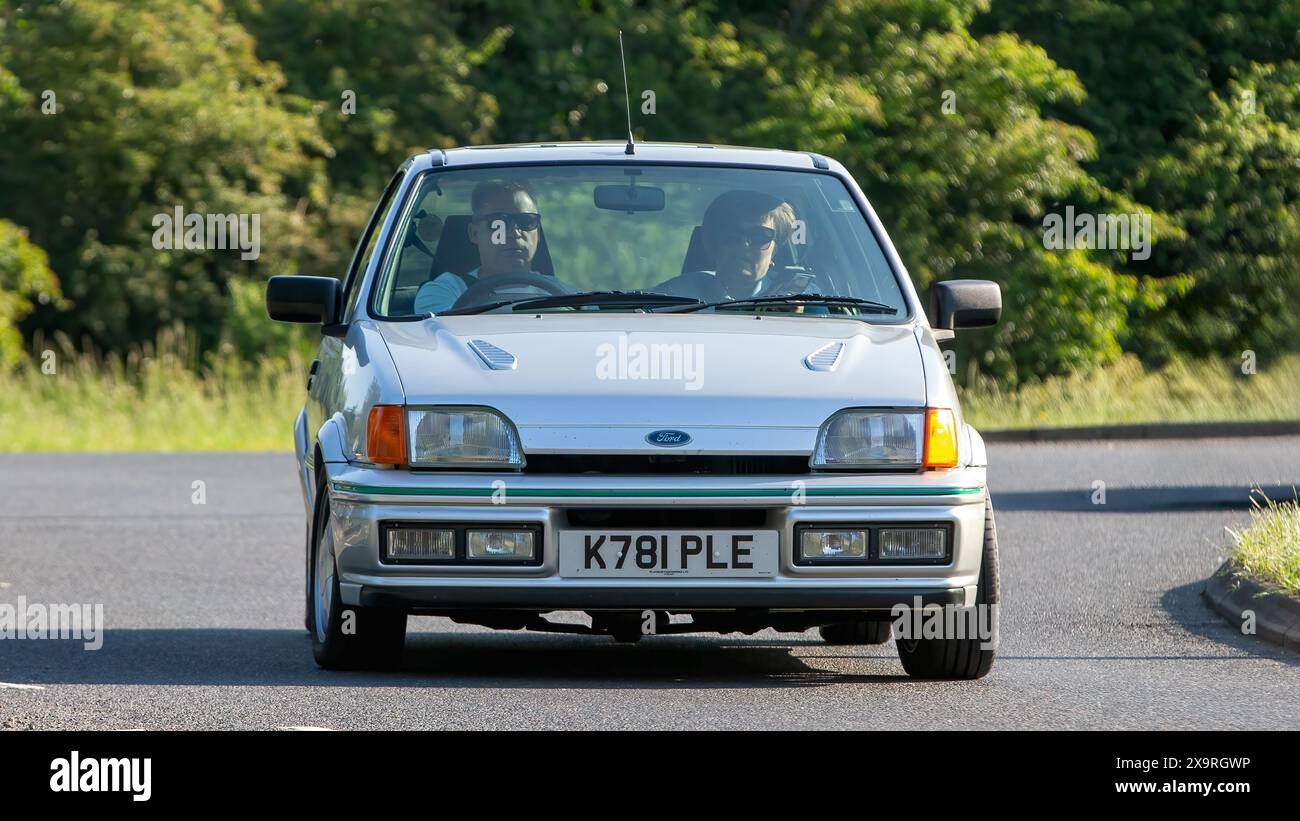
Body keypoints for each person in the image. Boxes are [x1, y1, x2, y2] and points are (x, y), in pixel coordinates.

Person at [413, 180, 558, 314]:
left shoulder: (566, 295)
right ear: (474, 233)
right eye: (498, 223)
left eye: (526, 221)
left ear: (537, 233)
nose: (514, 233)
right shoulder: (443, 293)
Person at [653, 189, 798, 302]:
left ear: (774, 252)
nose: (744, 244)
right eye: (733, 234)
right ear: (714, 244)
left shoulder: (802, 301)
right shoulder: (671, 298)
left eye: (759, 235)